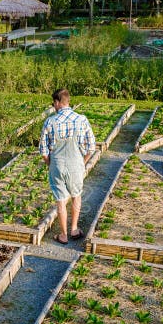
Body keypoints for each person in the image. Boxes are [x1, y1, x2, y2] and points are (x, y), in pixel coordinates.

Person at [39, 88, 96, 245]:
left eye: (53, 103)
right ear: (68, 101)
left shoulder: (50, 121)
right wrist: (82, 163)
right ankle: (74, 229)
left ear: (57, 102)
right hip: (76, 163)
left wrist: (50, 164)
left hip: (57, 164)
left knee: (60, 200)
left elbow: (43, 150)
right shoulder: (81, 119)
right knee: (76, 195)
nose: (53, 106)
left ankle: (63, 235)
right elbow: (91, 146)